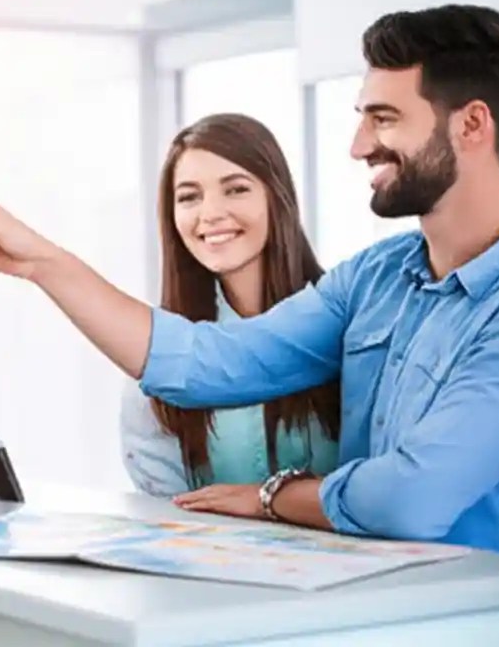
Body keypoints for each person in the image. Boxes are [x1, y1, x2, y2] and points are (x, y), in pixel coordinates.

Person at [0, 4, 499, 565]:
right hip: (362, 616)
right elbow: (209, 361)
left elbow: (412, 497)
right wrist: (41, 262)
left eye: (383, 118)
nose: (358, 145)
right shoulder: (377, 277)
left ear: (471, 125)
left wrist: (273, 497)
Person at [119, 113, 340, 517]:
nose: (210, 213)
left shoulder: (350, 326)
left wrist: (272, 500)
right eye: (189, 197)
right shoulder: (159, 359)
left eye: (236, 189)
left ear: (277, 196)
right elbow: (168, 518)